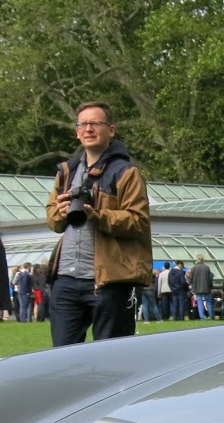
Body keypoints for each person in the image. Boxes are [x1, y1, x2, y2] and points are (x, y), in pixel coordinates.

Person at [44, 101, 153, 346]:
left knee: (111, 358)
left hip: (110, 282)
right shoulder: (66, 172)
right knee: (62, 358)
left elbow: (138, 221)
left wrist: (96, 214)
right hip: (66, 280)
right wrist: (61, 212)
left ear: (111, 130)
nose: (88, 129)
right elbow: (53, 219)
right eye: (83, 124)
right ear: (76, 132)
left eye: (95, 123)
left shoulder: (126, 172)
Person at [188, 254, 215, 320]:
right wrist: (211, 286)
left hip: (197, 288)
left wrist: (190, 284)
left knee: (199, 302)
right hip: (206, 287)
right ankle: (211, 316)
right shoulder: (206, 267)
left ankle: (202, 317)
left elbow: (190, 278)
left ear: (197, 260)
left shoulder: (193, 268)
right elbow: (210, 278)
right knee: (208, 301)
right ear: (203, 260)